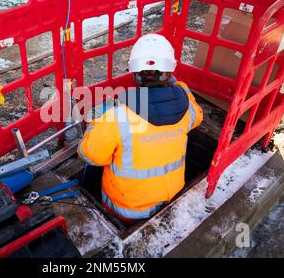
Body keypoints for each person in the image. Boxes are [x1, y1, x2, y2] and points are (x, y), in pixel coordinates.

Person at [77, 33, 203, 224]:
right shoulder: (187, 110)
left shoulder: (116, 117)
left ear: (134, 73)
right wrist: (176, 85)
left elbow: (90, 155)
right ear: (170, 71)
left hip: (127, 210)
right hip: (172, 198)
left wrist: (96, 123)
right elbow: (197, 113)